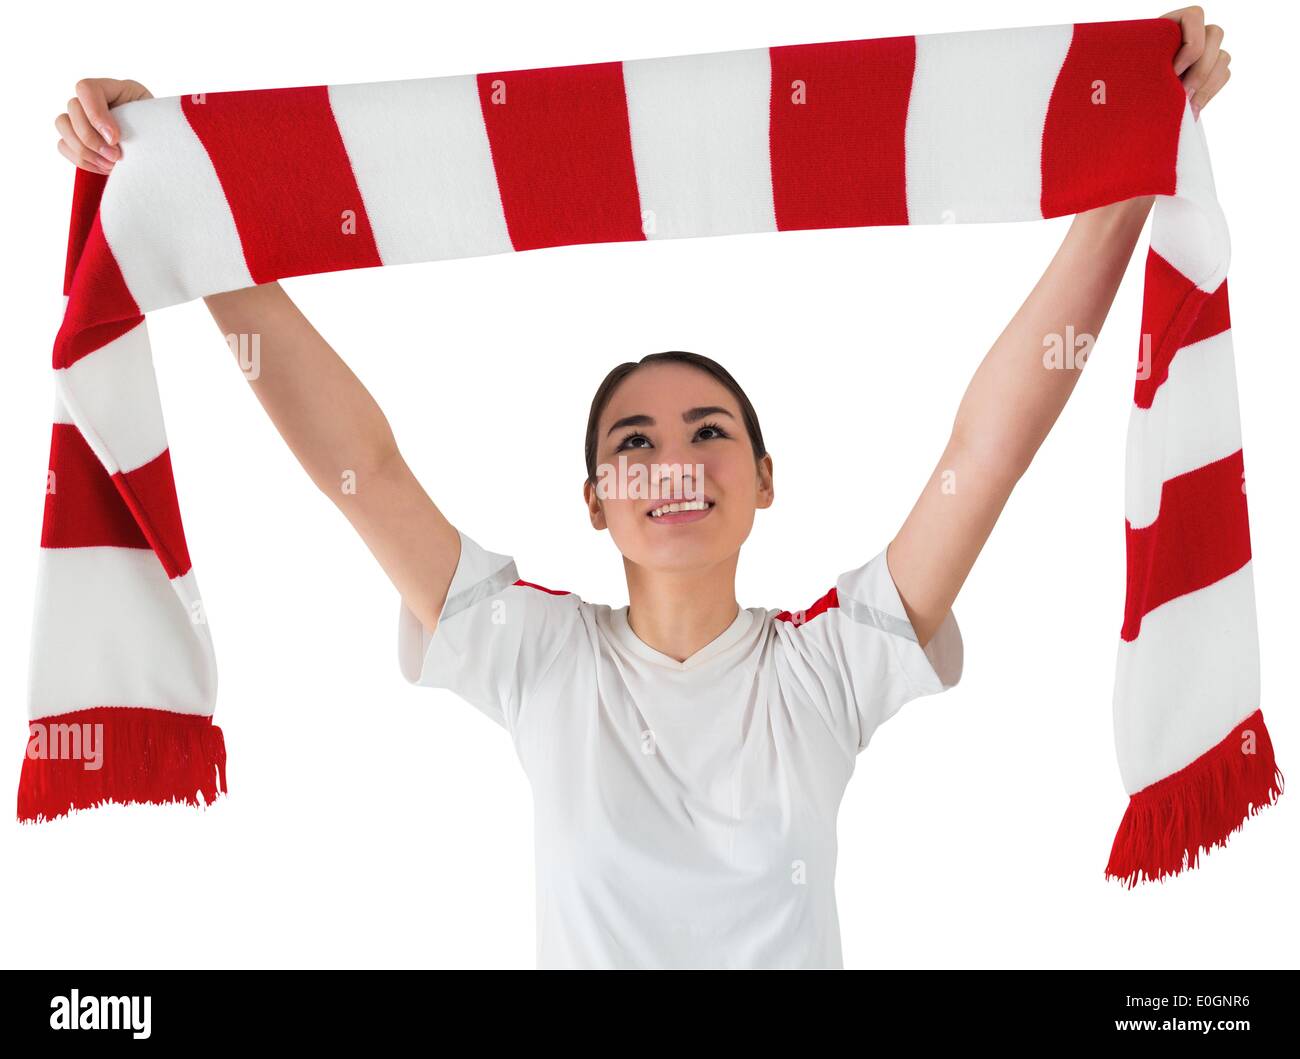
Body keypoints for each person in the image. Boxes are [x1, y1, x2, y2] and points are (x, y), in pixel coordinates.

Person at [53, 8, 1230, 968]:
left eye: (709, 431)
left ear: (764, 482)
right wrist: (185, 211)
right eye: (633, 443)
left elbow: (987, 452)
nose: (673, 460)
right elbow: (366, 473)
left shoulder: (826, 669)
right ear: (594, 502)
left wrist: (1133, 164)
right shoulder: (538, 656)